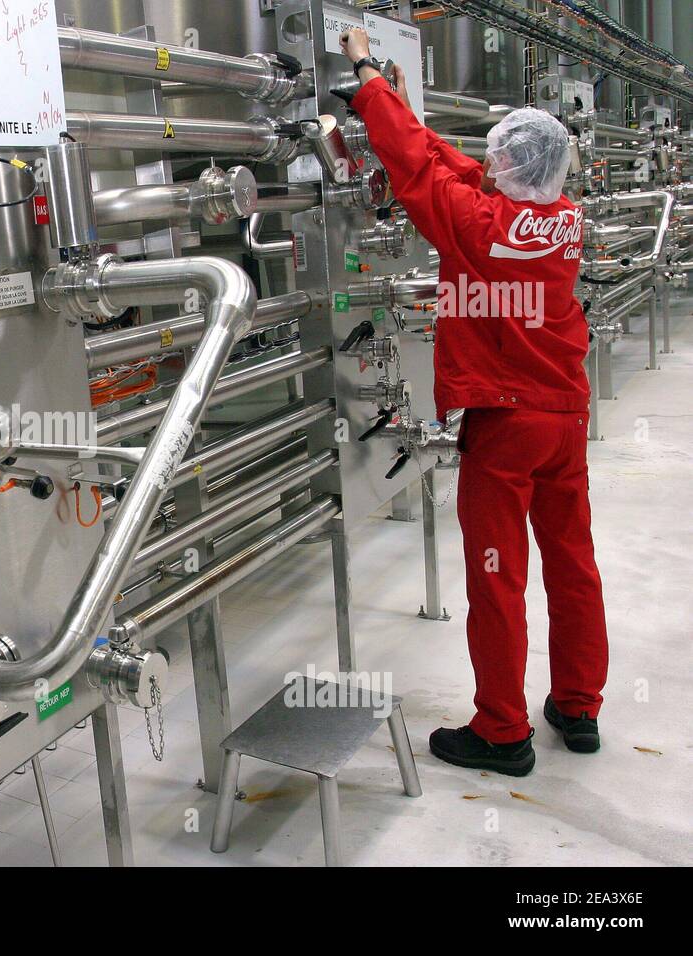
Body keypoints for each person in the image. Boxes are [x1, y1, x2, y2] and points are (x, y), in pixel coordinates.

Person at [338, 27, 608, 776]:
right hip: (566, 417)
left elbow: (420, 169)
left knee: (498, 575)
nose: (488, 163)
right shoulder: (561, 219)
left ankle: (501, 731)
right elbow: (453, 169)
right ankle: (578, 707)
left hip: (507, 424)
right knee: (573, 561)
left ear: (511, 166)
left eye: (498, 156)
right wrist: (390, 99)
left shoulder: (478, 226)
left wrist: (367, 79)